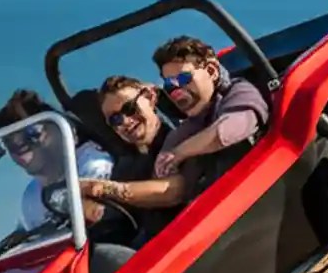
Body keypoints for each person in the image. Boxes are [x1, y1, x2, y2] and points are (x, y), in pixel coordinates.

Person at [150, 36, 270, 196]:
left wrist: (179, 153)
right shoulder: (183, 132)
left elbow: (229, 130)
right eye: (169, 84)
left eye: (184, 78)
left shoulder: (238, 92)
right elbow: (161, 182)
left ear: (212, 71)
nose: (176, 89)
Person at [77, 74, 187, 245]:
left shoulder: (183, 133)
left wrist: (99, 188)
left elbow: (175, 191)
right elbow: (118, 219)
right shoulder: (128, 167)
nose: (126, 121)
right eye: (115, 119)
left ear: (150, 97)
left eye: (129, 108)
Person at [0, 88, 114, 231]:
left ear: (61, 129)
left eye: (32, 134)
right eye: (9, 142)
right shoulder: (31, 196)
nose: (21, 146)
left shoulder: (93, 164)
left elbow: (99, 225)